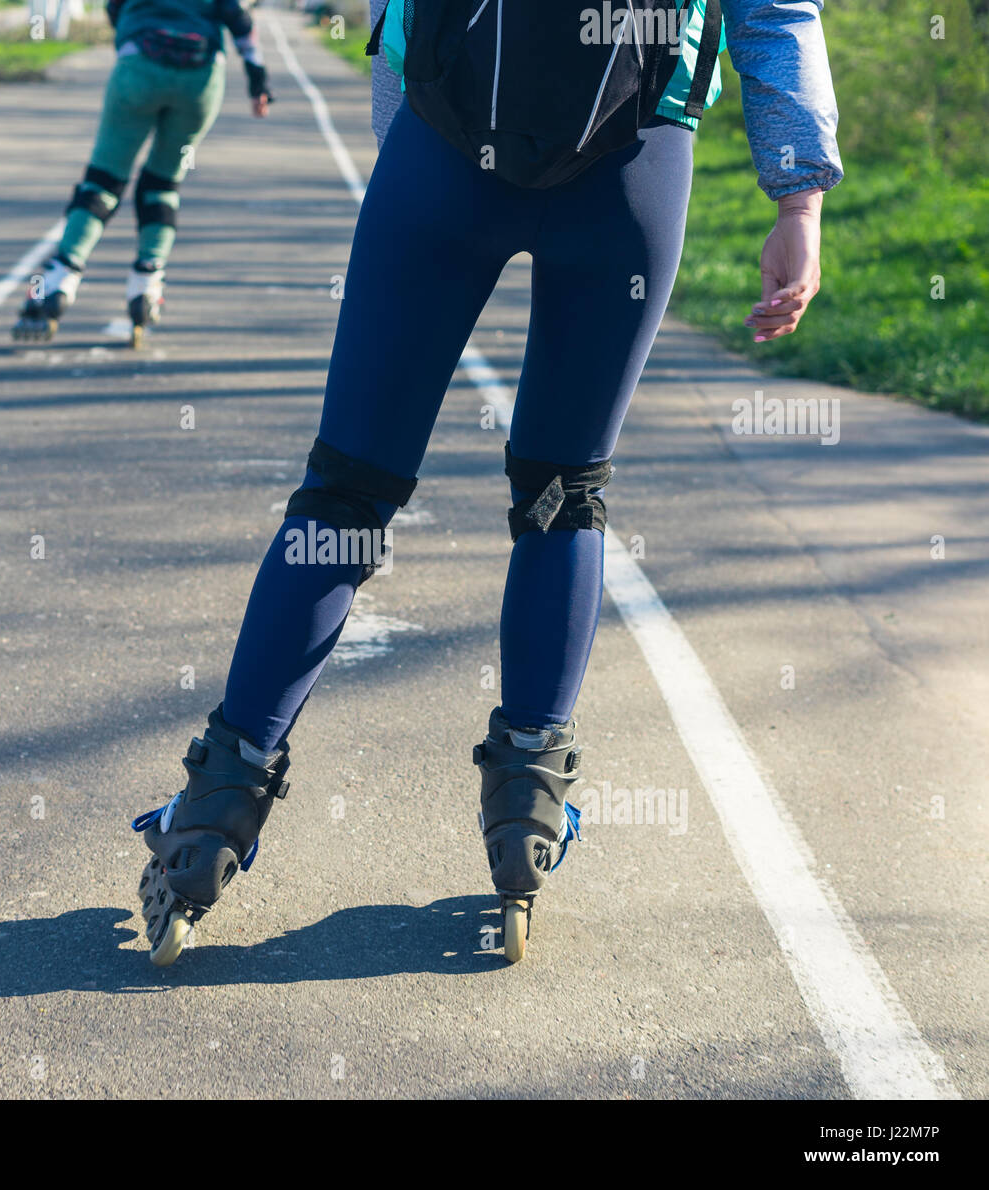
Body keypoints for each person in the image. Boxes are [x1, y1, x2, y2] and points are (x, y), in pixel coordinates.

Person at [133, 0, 844, 965]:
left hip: (444, 153)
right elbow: (773, 13)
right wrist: (797, 198)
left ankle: (215, 810)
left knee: (346, 493)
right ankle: (527, 811)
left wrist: (412, 158)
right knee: (566, 492)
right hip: (635, 163)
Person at [12, 0, 273, 347]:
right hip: (200, 82)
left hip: (139, 68)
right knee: (163, 182)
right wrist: (259, 83)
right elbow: (241, 25)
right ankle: (146, 286)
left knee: (104, 179)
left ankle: (60, 279)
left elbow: (114, 10)